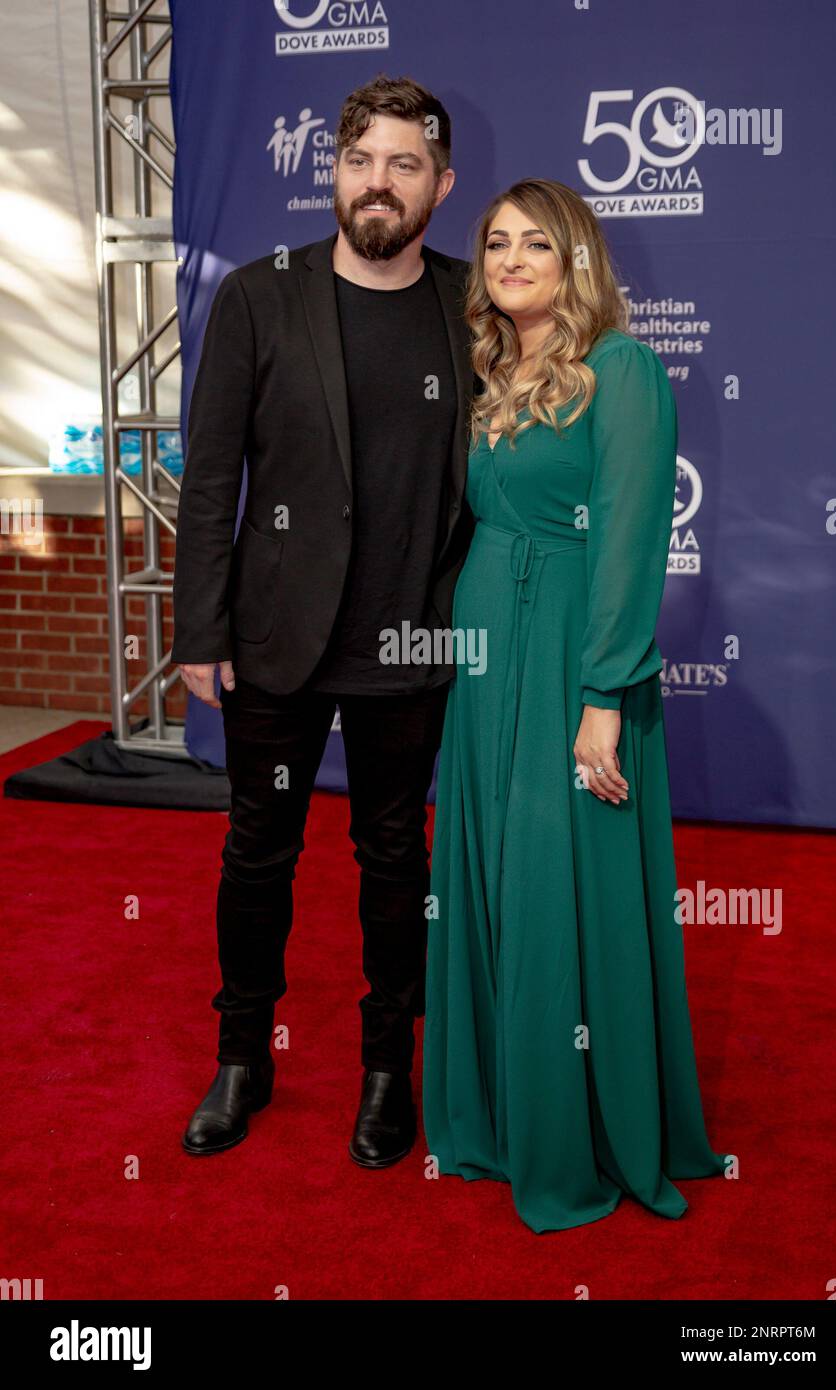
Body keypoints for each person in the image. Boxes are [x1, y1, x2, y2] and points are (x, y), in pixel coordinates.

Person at [171, 75, 474, 1165]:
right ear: (331, 171)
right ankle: (242, 1057)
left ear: (439, 183)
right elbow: (210, 479)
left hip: (409, 640)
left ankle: (389, 1071)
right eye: (359, 161)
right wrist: (199, 631)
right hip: (274, 641)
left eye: (403, 164)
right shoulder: (260, 294)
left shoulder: (468, 302)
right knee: (260, 852)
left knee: (395, 861)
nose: (377, 183)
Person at [422, 179, 728, 1232]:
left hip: (571, 656)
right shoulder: (498, 370)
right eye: (495, 243)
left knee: (561, 883)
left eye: (534, 244)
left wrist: (602, 694)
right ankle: (498, 1120)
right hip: (486, 657)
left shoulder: (622, 371)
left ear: (576, 260)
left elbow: (631, 543)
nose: (508, 260)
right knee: (495, 876)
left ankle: (579, 1131)